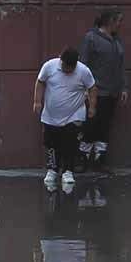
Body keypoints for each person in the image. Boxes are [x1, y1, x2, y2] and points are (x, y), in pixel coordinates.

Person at [34, 47, 97, 188]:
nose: (67, 70)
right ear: (60, 60)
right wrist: (37, 101)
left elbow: (92, 87)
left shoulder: (83, 71)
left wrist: (92, 107)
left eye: (71, 67)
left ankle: (68, 171)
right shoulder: (49, 66)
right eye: (65, 66)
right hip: (51, 115)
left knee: (70, 142)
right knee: (51, 143)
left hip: (74, 114)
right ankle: (52, 170)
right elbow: (40, 82)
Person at [78, 8, 128, 172]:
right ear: (110, 22)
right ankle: (82, 160)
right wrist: (84, 88)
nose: (120, 25)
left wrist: (123, 87)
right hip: (95, 92)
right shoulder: (91, 38)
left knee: (105, 126)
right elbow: (83, 65)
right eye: (118, 21)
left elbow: (121, 67)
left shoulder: (116, 41)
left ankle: (100, 161)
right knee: (90, 125)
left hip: (112, 92)